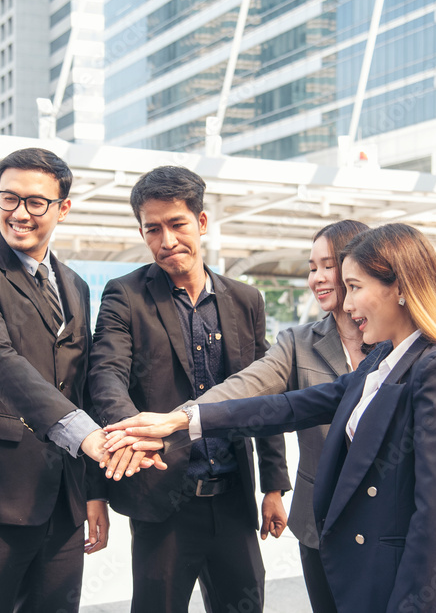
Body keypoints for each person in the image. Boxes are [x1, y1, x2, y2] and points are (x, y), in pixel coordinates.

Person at [108, 222, 436, 613]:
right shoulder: (381, 360)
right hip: (365, 566)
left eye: (355, 287)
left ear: (398, 287)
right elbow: (289, 407)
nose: (346, 303)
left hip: (424, 591)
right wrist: (181, 420)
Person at [0, 148, 148, 613]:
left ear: (62, 209)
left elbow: (83, 387)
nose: (19, 213)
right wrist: (88, 437)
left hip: (63, 502)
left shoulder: (76, 285)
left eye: (35, 203)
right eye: (8, 198)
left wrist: (94, 490)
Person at [87, 166, 292, 613]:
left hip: (234, 499)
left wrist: (273, 485)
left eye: (177, 224)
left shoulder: (245, 300)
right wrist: (135, 436)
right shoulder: (126, 295)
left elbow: (265, 396)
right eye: (153, 229)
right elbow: (105, 377)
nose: (166, 241)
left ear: (201, 222)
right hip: (163, 499)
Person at [156, 219, 369, 612]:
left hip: (384, 523)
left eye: (328, 266)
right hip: (321, 523)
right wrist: (180, 418)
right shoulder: (299, 343)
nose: (317, 278)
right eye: (311, 267)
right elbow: (248, 390)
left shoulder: (397, 343)